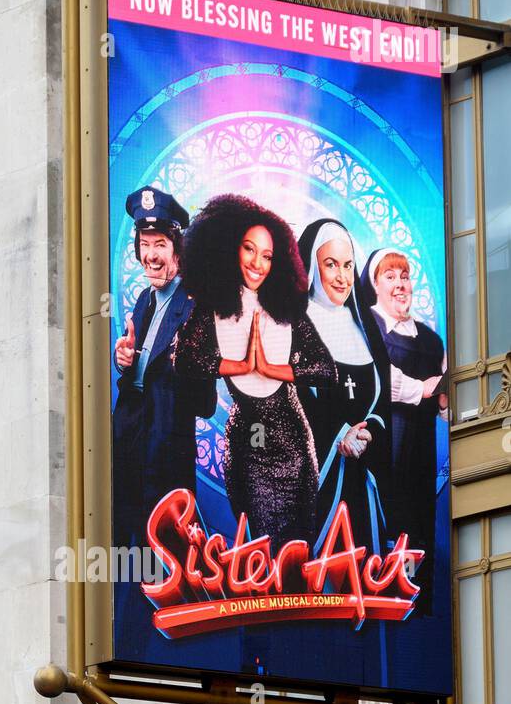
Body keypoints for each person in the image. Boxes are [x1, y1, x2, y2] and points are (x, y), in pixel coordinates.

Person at [175, 194, 326, 550]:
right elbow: (185, 359)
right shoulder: (209, 309)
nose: (258, 263)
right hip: (250, 444)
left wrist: (273, 369)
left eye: (268, 255)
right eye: (249, 249)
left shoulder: (286, 309)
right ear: (229, 248)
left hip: (296, 443)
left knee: (300, 550)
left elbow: (324, 368)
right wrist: (239, 366)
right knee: (267, 550)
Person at [112, 186, 216, 552]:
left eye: (160, 245)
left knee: (164, 553)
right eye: (144, 243)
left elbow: (206, 402)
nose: (151, 256)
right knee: (124, 549)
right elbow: (138, 367)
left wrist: (185, 364)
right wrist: (124, 360)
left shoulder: (198, 306)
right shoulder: (144, 299)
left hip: (166, 452)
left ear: (176, 248)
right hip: (128, 440)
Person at [296, 220, 393, 558]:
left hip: (362, 474)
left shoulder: (364, 325)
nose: (341, 276)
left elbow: (382, 397)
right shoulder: (296, 323)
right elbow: (293, 399)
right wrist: (339, 436)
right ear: (312, 266)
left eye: (348, 265)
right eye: (330, 264)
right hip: (319, 474)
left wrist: (371, 433)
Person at [361, 248, 446, 613]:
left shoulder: (430, 339)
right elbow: (376, 378)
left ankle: (413, 606)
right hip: (382, 447)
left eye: (405, 276)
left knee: (418, 529)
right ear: (374, 284)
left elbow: (445, 403)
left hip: (421, 452)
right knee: (382, 525)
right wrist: (424, 389)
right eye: (390, 276)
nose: (400, 284)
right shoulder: (366, 325)